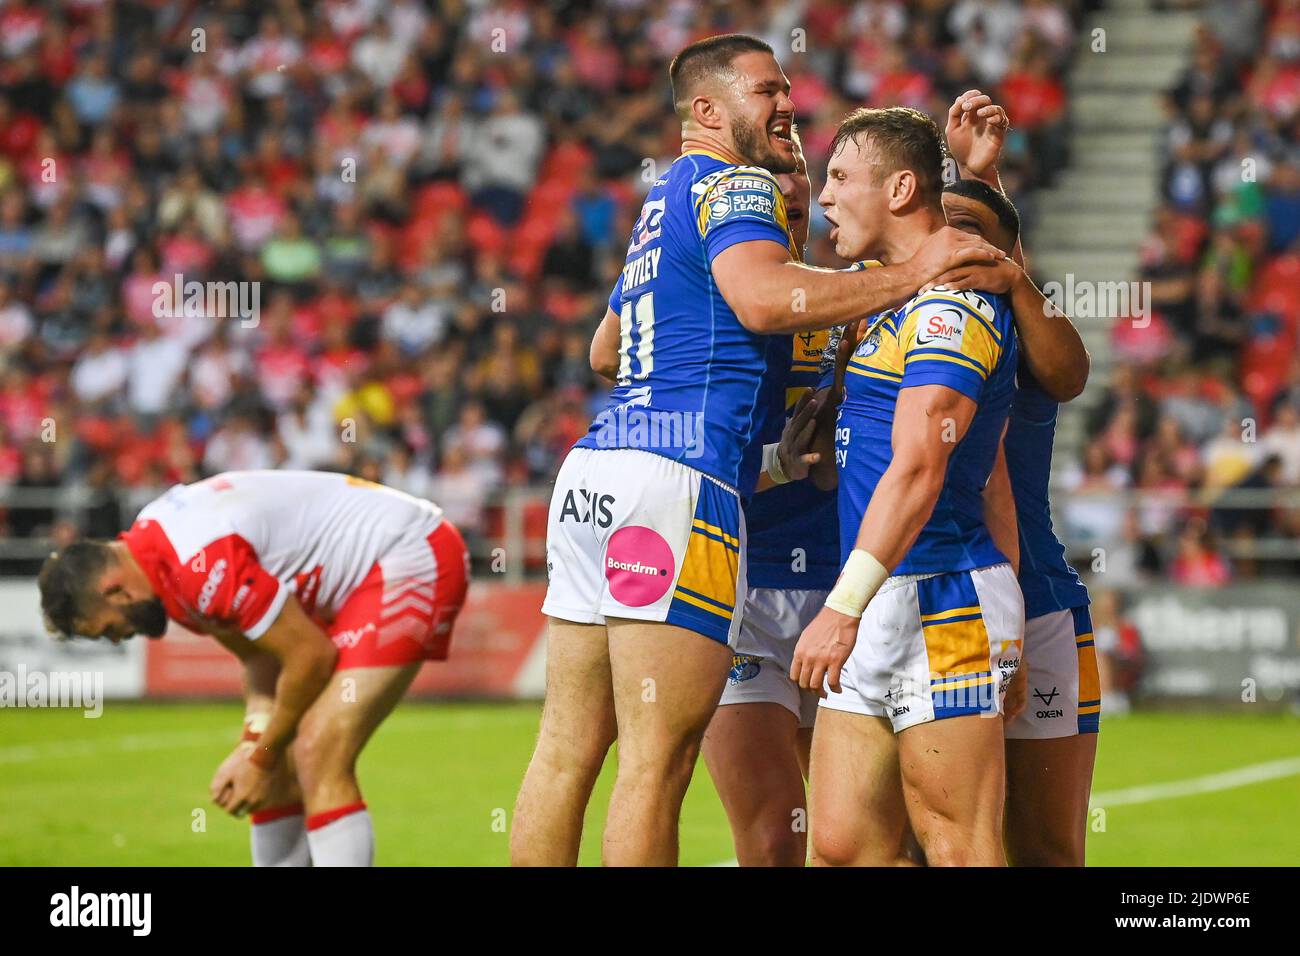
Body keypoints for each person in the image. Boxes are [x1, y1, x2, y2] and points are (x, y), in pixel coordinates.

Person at [511, 33, 1006, 867]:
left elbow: (605, 351)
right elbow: (765, 299)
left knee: (565, 749)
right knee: (654, 765)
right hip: (678, 486)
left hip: (597, 470)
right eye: (767, 90)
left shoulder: (663, 196)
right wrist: (919, 269)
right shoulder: (737, 182)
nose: (788, 104)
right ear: (707, 111)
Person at [792, 106, 1022, 867]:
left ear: (898, 189)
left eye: (840, 177)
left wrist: (840, 607)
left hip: (941, 595)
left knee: (958, 845)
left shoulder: (956, 304)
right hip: (876, 591)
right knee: (841, 848)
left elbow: (923, 465)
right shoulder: (879, 295)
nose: (824, 197)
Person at [38, 469, 470, 867]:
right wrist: (255, 745)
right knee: (275, 753)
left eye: (107, 630)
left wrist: (258, 759)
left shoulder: (196, 565)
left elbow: (309, 657)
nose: (118, 638)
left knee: (316, 749)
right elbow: (263, 655)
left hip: (411, 553)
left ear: (114, 591)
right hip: (357, 579)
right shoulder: (161, 563)